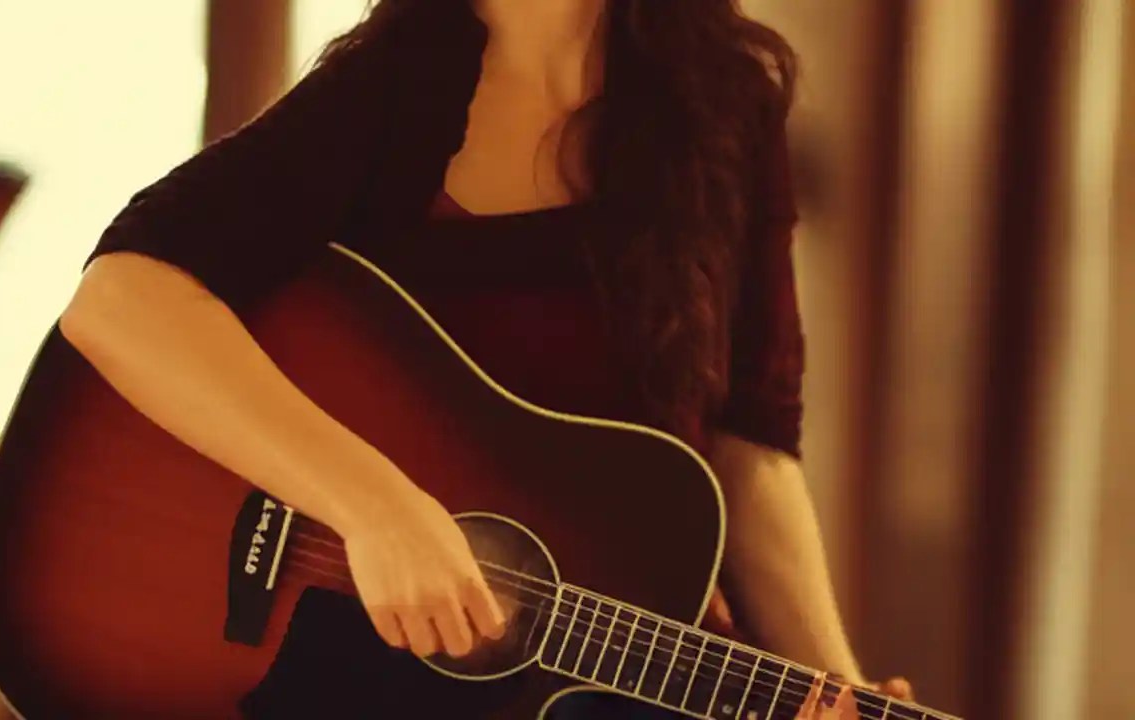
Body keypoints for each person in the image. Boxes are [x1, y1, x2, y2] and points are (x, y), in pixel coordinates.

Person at [60, 0, 913, 716]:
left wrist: (837, 687)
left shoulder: (730, 100)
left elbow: (751, 442)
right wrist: (375, 508)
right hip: (371, 671)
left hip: (638, 660)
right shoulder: (396, 85)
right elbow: (123, 296)